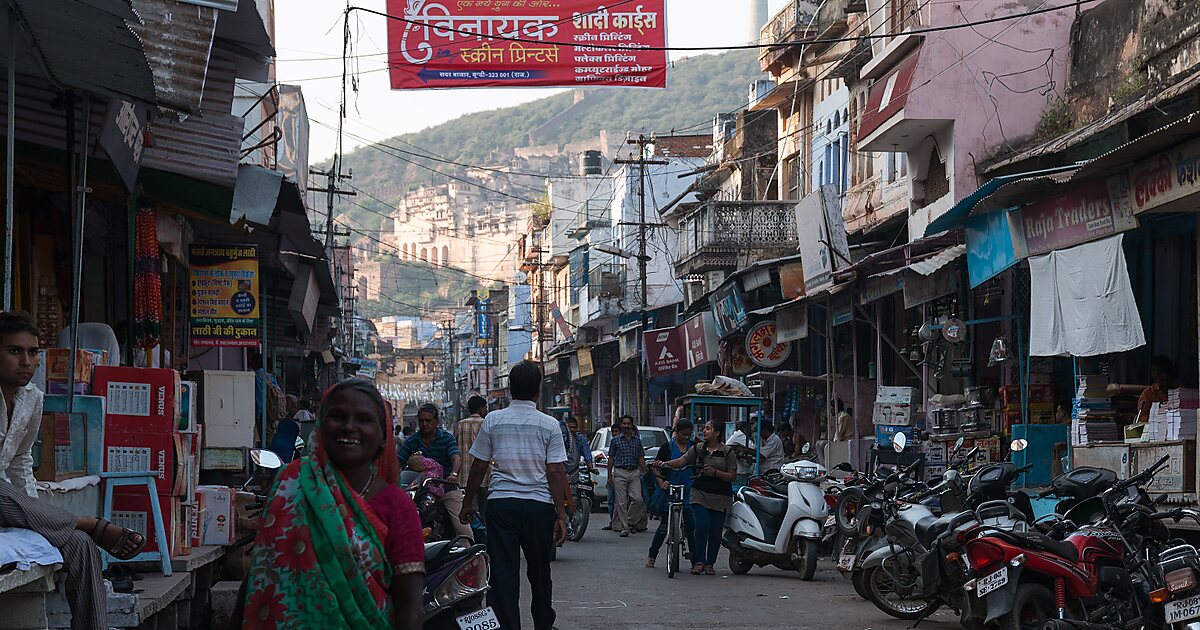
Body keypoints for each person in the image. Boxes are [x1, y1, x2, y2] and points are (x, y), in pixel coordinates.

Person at [0, 311, 148, 629]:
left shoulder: (32, 400)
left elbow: (20, 462)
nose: (26, 361)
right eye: (14, 351)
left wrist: (37, 518)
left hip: (7, 503)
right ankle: (85, 522)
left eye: (32, 352)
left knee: (81, 545)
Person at [241, 378, 424, 628]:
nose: (349, 426)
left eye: (363, 419)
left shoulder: (396, 505)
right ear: (320, 428)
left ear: (383, 436)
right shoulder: (290, 482)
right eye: (337, 416)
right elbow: (260, 571)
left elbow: (409, 607)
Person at [459, 361, 569, 630]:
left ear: (509, 388)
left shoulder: (493, 420)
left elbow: (479, 466)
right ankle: (543, 624)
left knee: (504, 574)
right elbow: (555, 472)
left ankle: (508, 626)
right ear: (538, 390)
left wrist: (467, 502)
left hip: (502, 506)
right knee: (540, 572)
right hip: (538, 508)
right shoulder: (550, 425)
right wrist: (562, 514)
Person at [654, 418, 737, 575]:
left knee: (715, 530)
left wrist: (715, 472)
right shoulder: (698, 448)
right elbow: (682, 461)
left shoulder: (728, 452)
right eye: (704, 428)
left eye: (708, 428)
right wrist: (665, 464)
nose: (704, 431)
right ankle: (698, 561)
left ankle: (709, 563)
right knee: (702, 526)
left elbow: (732, 476)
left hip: (721, 496)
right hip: (700, 493)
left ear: (717, 433)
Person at [397, 403, 473, 541]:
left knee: (463, 528)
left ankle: (470, 556)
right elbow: (398, 462)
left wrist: (453, 475)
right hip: (419, 491)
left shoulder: (446, 438)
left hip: (446, 487)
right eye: (421, 421)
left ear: (436, 422)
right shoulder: (412, 441)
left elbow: (456, 458)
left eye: (428, 421)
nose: (424, 424)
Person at [645, 417, 696, 569]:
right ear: (676, 433)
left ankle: (695, 561)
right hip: (670, 490)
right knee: (664, 526)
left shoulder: (694, 448)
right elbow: (656, 467)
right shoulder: (667, 447)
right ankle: (652, 555)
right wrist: (662, 483)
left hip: (688, 490)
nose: (686, 438)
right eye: (683, 435)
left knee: (690, 527)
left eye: (688, 435)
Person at [608, 415, 646, 537]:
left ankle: (628, 521)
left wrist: (644, 471)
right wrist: (609, 476)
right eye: (624, 424)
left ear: (632, 425)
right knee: (621, 502)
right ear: (621, 425)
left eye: (628, 424)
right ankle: (625, 528)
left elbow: (641, 457)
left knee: (638, 499)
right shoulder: (615, 440)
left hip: (634, 472)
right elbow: (611, 458)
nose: (626, 426)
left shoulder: (637, 441)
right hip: (620, 472)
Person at [455, 395, 489, 520]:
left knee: (469, 510)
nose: (486, 410)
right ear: (480, 409)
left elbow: (455, 446)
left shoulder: (460, 425)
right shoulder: (486, 423)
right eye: (485, 408)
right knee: (484, 510)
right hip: (485, 475)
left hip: (464, 476)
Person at [1137, 356, 1178, 422]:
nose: (1165, 383)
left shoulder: (1180, 391)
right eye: (1162, 380)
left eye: (1167, 380)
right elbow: (1142, 418)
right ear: (1157, 378)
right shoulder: (1148, 393)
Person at [727, 420, 756, 485]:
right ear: (744, 428)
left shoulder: (736, 435)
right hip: (740, 471)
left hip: (740, 467)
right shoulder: (739, 435)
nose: (750, 430)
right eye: (749, 428)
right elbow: (753, 447)